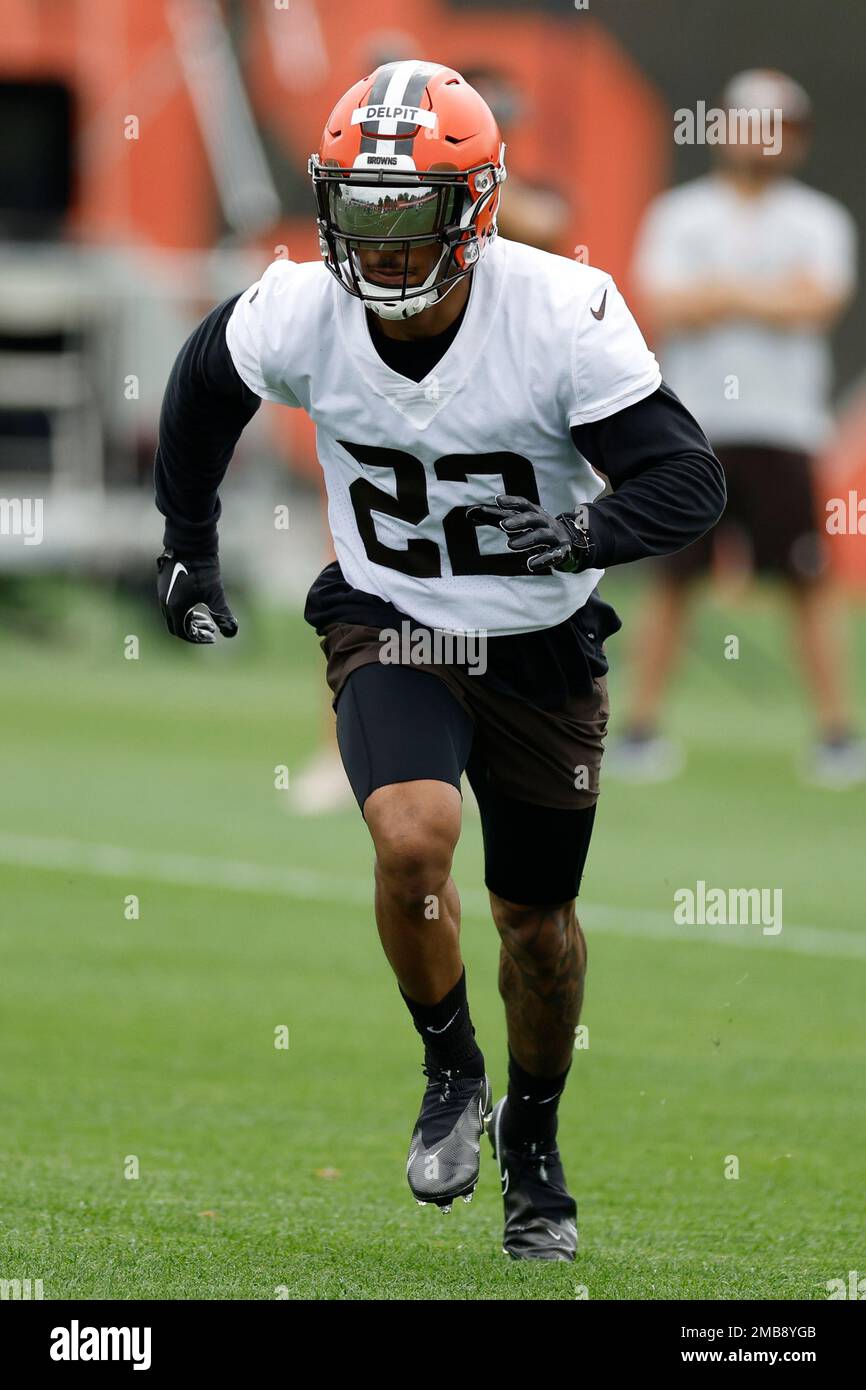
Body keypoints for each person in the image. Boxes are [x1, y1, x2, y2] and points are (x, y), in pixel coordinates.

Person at [154, 61, 725, 1260]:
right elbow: (204, 385)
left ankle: (535, 1139)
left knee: (536, 923)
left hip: (536, 644)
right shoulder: (302, 306)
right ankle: (448, 1068)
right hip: (392, 614)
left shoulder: (559, 312)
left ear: (472, 207)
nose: (382, 244)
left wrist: (576, 531)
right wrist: (188, 545)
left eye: (408, 215)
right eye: (359, 211)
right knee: (410, 834)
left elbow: (686, 481)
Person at [614, 69, 863, 787]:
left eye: (778, 126)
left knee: (808, 580)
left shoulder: (819, 220)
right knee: (675, 580)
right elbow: (664, 302)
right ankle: (639, 729)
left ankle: (839, 735)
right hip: (694, 428)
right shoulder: (681, 215)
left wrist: (723, 292)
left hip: (785, 429)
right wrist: (764, 296)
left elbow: (814, 306)